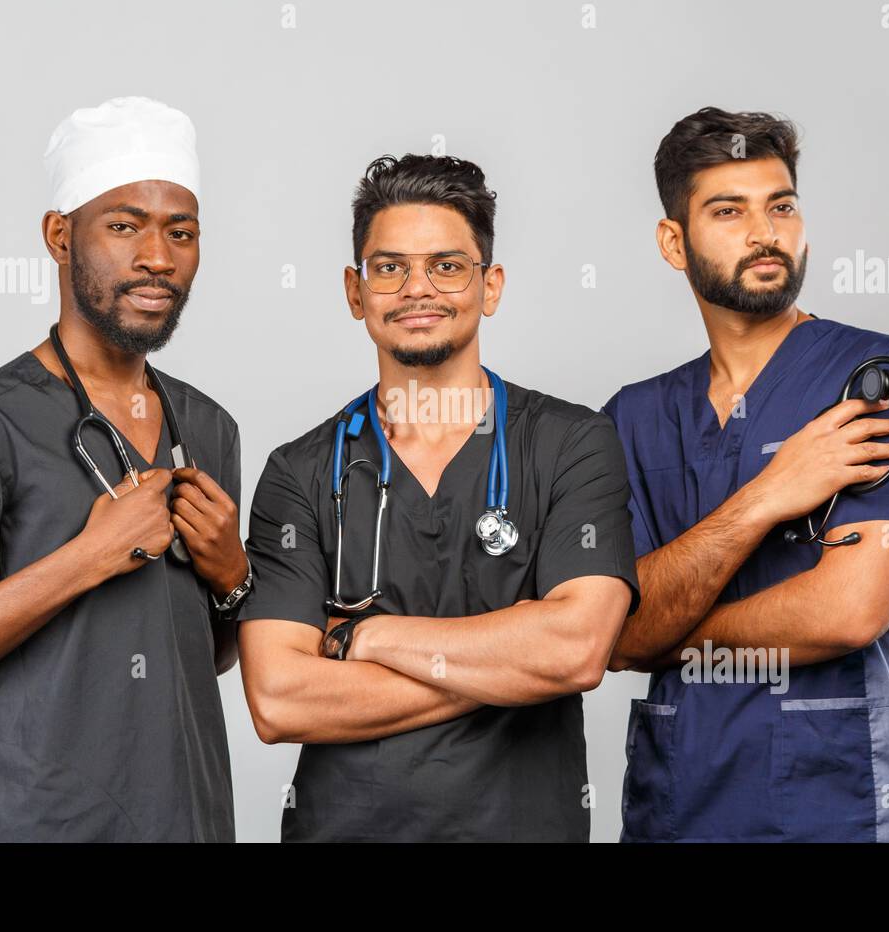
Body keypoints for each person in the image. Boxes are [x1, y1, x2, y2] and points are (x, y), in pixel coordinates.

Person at [0, 96, 251, 841]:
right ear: (59, 236)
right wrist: (88, 557)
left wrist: (233, 578)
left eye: (182, 232)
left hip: (191, 822)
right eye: (123, 225)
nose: (157, 258)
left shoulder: (208, 428)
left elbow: (206, 655)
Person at [236, 154, 641, 842]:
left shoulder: (572, 443)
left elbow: (574, 650)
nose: (417, 288)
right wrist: (509, 663)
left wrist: (360, 638)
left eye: (447, 266)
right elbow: (278, 698)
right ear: (354, 291)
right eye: (389, 267)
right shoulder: (300, 472)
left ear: (491, 286)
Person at [604, 107, 889, 842]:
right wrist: (769, 495)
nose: (765, 232)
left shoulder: (876, 380)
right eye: (728, 211)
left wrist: (663, 633)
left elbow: (849, 611)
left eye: (782, 206)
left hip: (839, 804)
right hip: (678, 806)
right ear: (674, 241)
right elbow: (613, 637)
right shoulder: (632, 420)